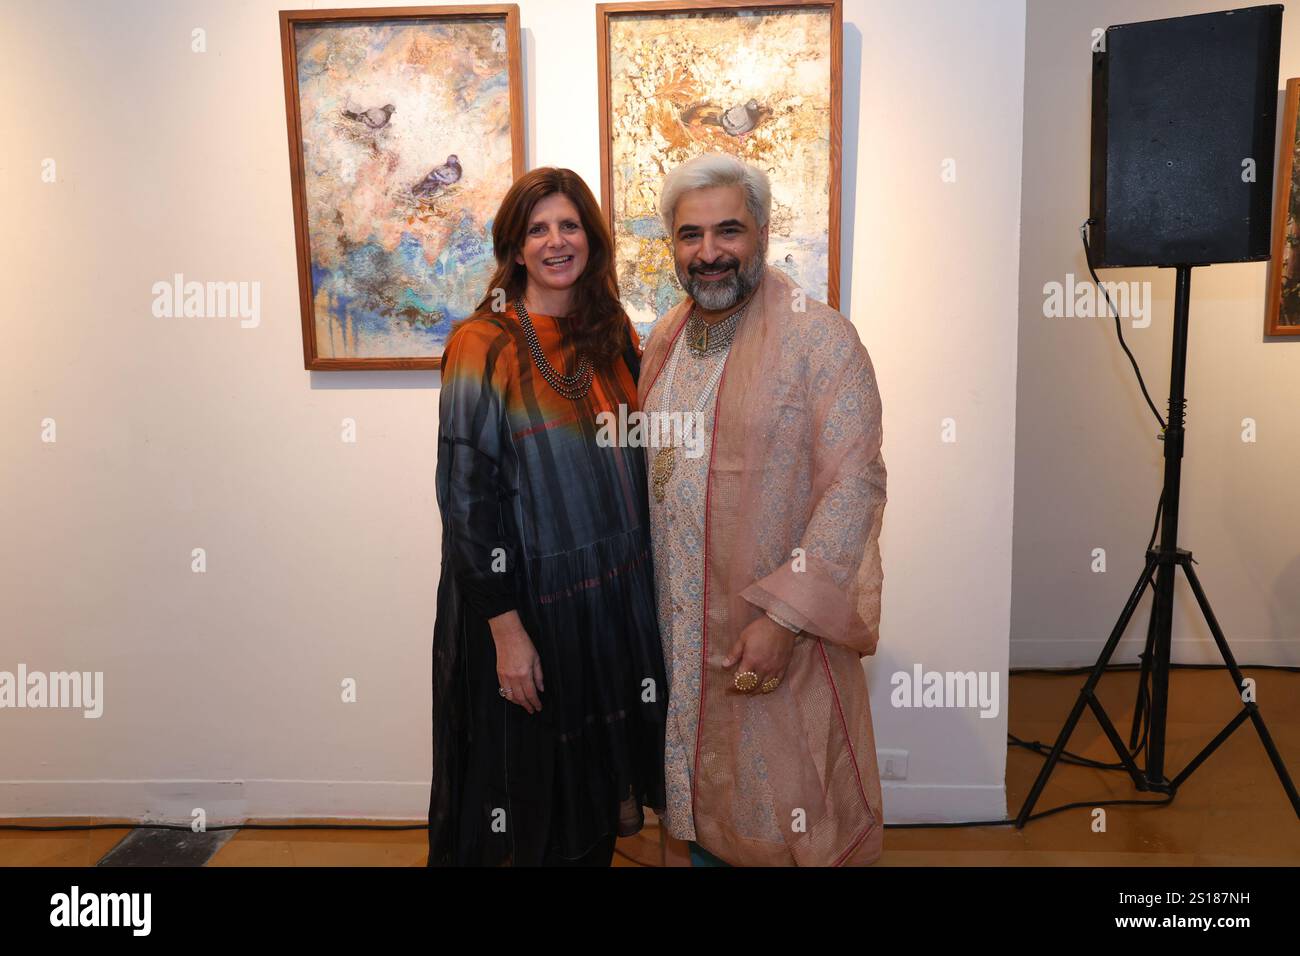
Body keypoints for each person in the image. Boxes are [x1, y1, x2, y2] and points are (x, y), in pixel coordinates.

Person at [640, 153, 888, 867]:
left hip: (771, 633)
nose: (709, 253)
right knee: (696, 797)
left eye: (728, 232)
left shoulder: (821, 338)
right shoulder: (666, 337)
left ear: (763, 231)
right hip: (678, 629)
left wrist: (784, 619)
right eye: (690, 236)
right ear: (672, 245)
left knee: (781, 809)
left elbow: (854, 487)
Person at [427, 167, 667, 866]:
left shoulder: (611, 330)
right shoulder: (483, 344)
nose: (556, 241)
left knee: (593, 809)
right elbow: (466, 499)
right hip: (530, 611)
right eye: (538, 229)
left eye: (569, 225)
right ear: (515, 246)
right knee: (531, 816)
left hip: (612, 605)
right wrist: (507, 632)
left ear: (590, 239)